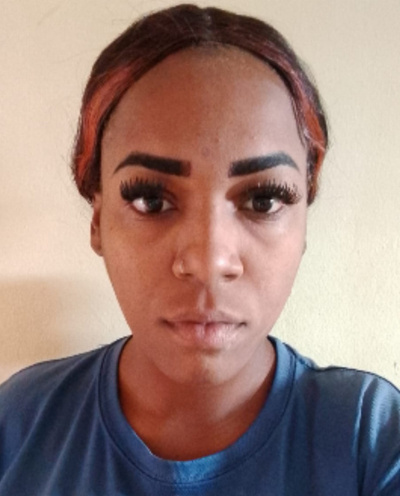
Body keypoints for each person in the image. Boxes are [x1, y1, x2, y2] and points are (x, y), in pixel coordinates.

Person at [0, 4, 399, 495]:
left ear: (303, 223)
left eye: (263, 199)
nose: (209, 261)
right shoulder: (18, 425)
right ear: (98, 220)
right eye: (151, 199)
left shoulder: (372, 440)